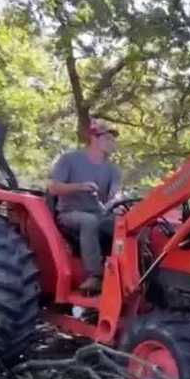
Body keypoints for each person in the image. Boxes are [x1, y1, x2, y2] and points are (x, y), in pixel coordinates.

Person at [48, 118, 123, 293]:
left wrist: (117, 199)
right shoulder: (70, 159)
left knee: (126, 225)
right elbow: (53, 188)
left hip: (100, 213)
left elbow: (116, 192)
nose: (113, 143)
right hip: (70, 213)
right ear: (94, 138)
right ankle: (95, 276)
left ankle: (129, 272)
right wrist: (80, 186)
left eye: (114, 139)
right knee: (90, 222)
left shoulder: (113, 169)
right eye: (108, 138)